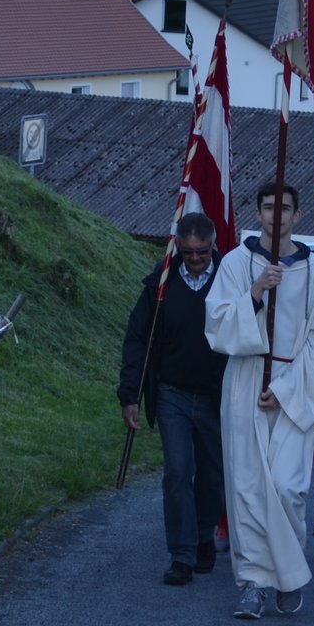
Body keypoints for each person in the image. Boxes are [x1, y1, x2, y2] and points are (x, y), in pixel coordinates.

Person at [205, 180, 314, 621]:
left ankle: (288, 573)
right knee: (246, 488)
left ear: (297, 216)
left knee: (286, 487)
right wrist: (257, 292)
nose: (275, 216)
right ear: (257, 214)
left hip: (293, 387)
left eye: (284, 208)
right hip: (245, 378)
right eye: (267, 208)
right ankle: (255, 584)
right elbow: (218, 326)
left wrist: (283, 391)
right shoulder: (235, 263)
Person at [118, 214, 227, 586]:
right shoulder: (159, 284)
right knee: (179, 471)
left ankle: (202, 535)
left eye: (201, 252)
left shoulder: (229, 280)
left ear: (213, 244)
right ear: (177, 247)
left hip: (216, 394)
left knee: (213, 474)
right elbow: (137, 339)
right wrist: (129, 394)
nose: (195, 258)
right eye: (187, 252)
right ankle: (181, 555)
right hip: (173, 393)